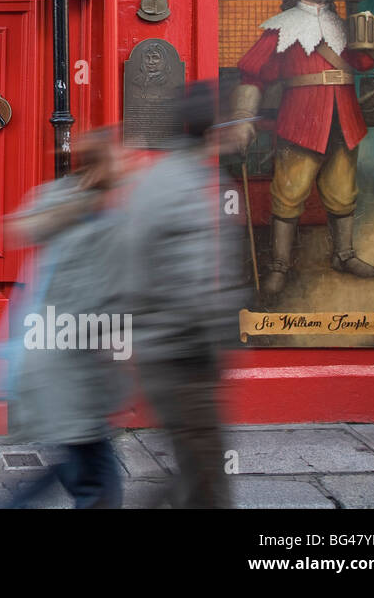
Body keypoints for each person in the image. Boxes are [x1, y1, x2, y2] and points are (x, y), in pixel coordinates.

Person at [229, 0, 374, 295]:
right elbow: (254, 76)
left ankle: (344, 254)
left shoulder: (345, 27)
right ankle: (279, 265)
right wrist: (242, 118)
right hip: (301, 121)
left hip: (344, 120)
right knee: (288, 194)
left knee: (342, 191)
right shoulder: (282, 28)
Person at [118, 81, 245, 508]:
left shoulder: (156, 177)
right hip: (183, 355)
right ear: (213, 129)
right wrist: (216, 335)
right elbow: (194, 282)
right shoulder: (191, 185)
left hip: (162, 350)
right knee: (207, 480)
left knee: (196, 472)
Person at [0, 129, 130, 509]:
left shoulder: (83, 208)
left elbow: (20, 226)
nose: (127, 164)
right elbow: (94, 306)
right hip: (70, 370)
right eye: (119, 158)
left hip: (60, 368)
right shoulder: (101, 224)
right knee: (96, 484)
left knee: (78, 468)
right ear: (101, 166)